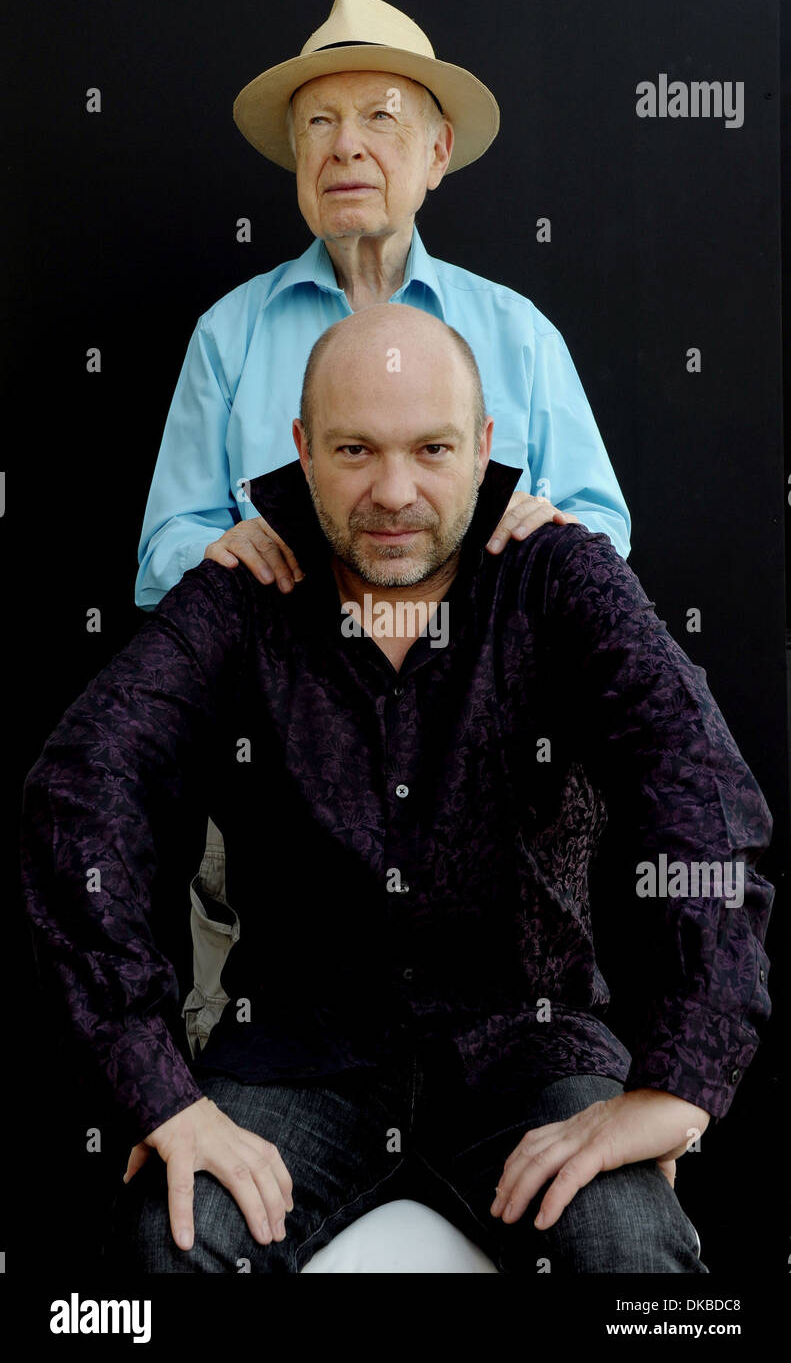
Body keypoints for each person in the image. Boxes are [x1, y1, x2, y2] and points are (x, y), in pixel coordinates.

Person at [21, 303, 773, 1273]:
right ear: (300, 449)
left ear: (483, 445)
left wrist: (683, 1077)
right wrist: (156, 1086)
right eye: (352, 449)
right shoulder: (246, 587)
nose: (393, 489)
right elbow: (78, 785)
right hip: (295, 1058)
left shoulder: (557, 575)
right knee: (166, 1248)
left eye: (431, 448)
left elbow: (697, 789)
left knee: (629, 1249)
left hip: (529, 1054)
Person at [135, 0, 631, 613]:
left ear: (438, 152)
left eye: (380, 116)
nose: (345, 146)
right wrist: (216, 553)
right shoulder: (228, 335)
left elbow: (603, 535)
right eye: (320, 121)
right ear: (298, 153)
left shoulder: (520, 332)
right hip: (280, 693)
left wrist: (553, 535)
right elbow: (162, 554)